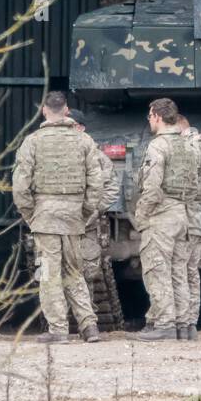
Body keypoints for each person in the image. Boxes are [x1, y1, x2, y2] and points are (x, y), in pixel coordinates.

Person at [12, 92, 104, 344]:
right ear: (66, 110)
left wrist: (31, 215)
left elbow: (20, 186)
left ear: (44, 110)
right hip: (74, 216)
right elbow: (96, 183)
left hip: (45, 216)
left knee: (49, 273)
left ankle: (58, 329)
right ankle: (89, 327)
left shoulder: (32, 142)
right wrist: (85, 211)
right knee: (74, 271)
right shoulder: (84, 141)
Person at [131, 98, 201, 341]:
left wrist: (141, 215)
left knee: (157, 270)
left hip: (162, 215)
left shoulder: (158, 146)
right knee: (178, 271)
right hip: (183, 213)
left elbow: (152, 188)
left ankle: (164, 325)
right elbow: (195, 184)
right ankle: (184, 326)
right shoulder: (189, 145)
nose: (149, 121)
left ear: (158, 117)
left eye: (150, 116)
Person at [68, 108, 121, 283]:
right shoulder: (48, 151)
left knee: (86, 276)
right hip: (55, 225)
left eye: (71, 125)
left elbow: (112, 188)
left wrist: (96, 210)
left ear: (81, 128)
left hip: (85, 227)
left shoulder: (97, 156)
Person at [176, 116, 201, 341]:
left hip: (180, 219)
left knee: (177, 271)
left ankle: (177, 322)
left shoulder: (182, 149)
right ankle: (190, 323)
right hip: (197, 219)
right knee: (191, 272)